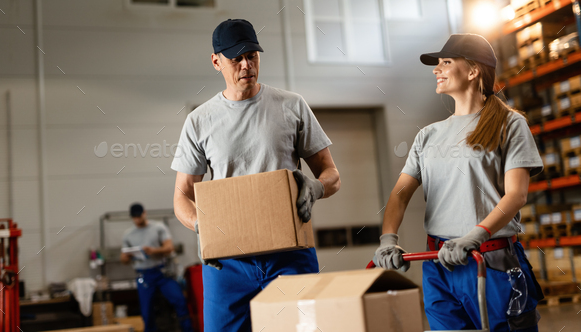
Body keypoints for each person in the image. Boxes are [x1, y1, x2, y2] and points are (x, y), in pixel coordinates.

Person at [171, 18, 340, 332]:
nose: (246, 65)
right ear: (216, 61)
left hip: (290, 256)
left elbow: (332, 174)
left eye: (252, 56)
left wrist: (315, 189)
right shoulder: (200, 121)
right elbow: (182, 195)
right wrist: (202, 227)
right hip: (227, 263)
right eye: (236, 59)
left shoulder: (292, 106)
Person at [372, 34, 544, 331]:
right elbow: (400, 195)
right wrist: (388, 240)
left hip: (489, 262)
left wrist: (474, 236)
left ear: (474, 70)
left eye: (446, 62)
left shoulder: (510, 124)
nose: (436, 69)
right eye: (436, 64)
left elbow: (516, 195)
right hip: (439, 265)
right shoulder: (428, 135)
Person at [121, 203, 194, 332]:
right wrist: (129, 256)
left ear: (144, 213)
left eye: (139, 216)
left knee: (180, 301)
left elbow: (169, 248)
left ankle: (187, 329)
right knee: (147, 311)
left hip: (162, 274)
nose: (137, 219)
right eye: (134, 217)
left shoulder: (158, 228)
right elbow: (123, 259)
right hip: (144, 276)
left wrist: (153, 251)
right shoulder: (128, 235)